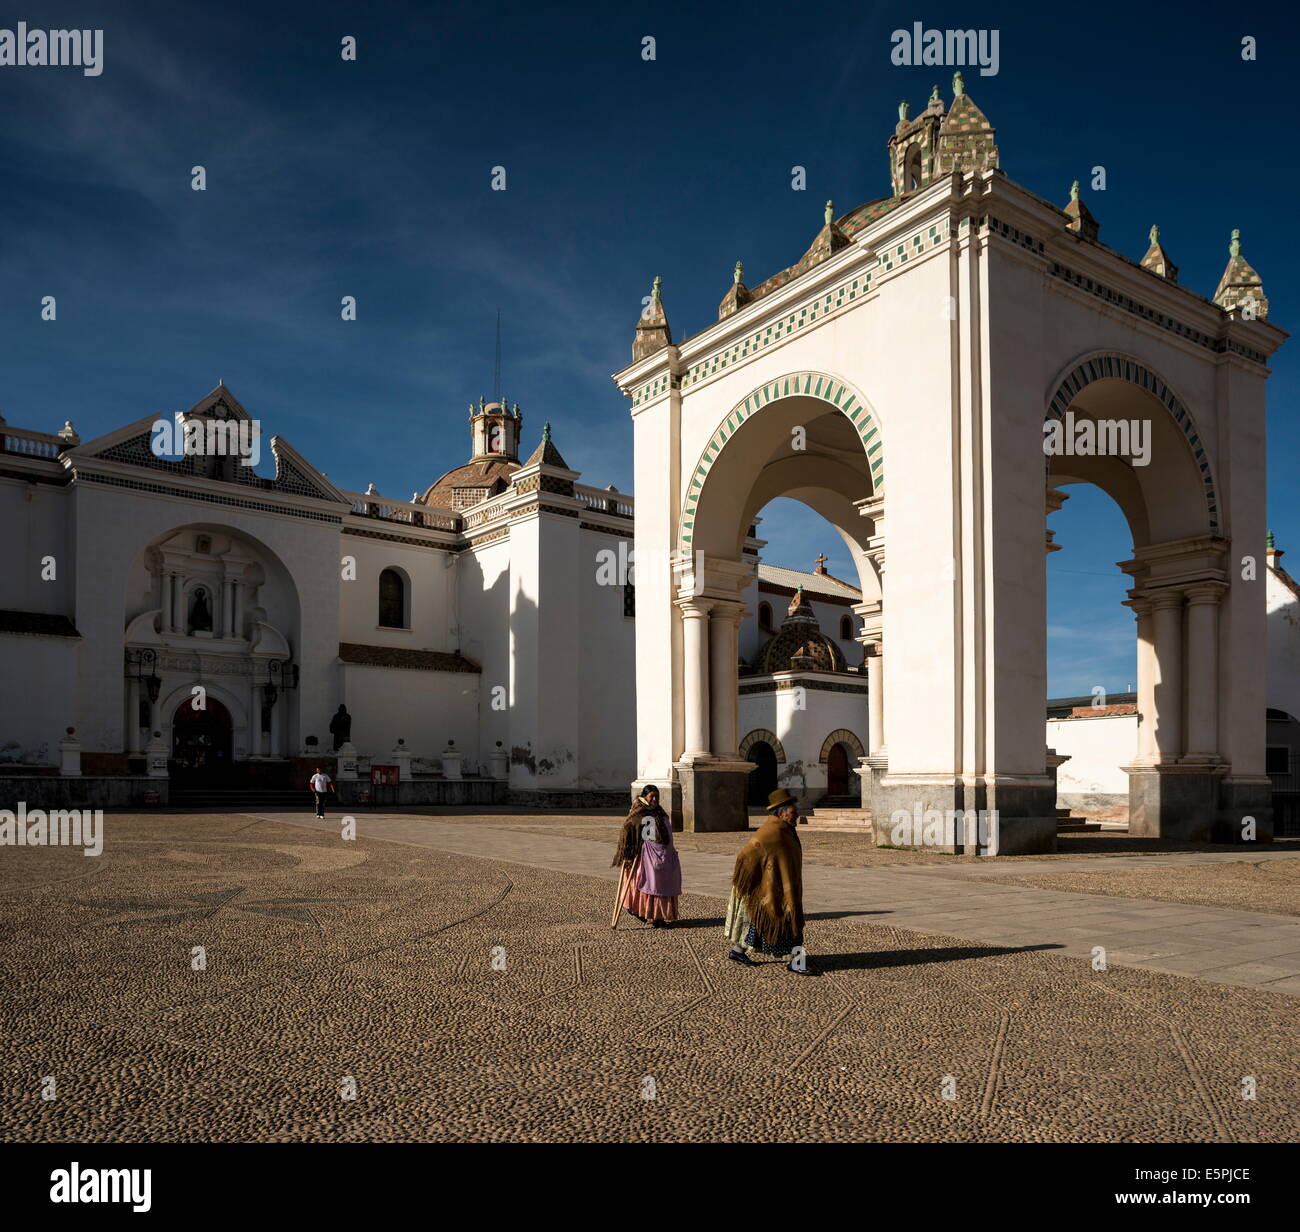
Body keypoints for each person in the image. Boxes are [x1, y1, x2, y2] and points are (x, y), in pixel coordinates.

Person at [725, 788, 811, 974]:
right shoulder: (771, 832)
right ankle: (796, 961)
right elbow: (747, 854)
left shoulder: (786, 830)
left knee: (758, 923)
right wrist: (750, 877)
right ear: (781, 812)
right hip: (772, 887)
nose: (796, 815)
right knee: (783, 921)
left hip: (784, 885)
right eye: (793, 812)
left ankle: (738, 951)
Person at [611, 785, 681, 927]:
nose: (655, 799)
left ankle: (657, 916)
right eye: (652, 796)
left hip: (664, 856)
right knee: (650, 884)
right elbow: (633, 831)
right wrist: (629, 852)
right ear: (645, 797)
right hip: (649, 858)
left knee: (662, 885)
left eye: (657, 796)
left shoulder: (659, 812)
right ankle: (647, 913)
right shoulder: (640, 813)